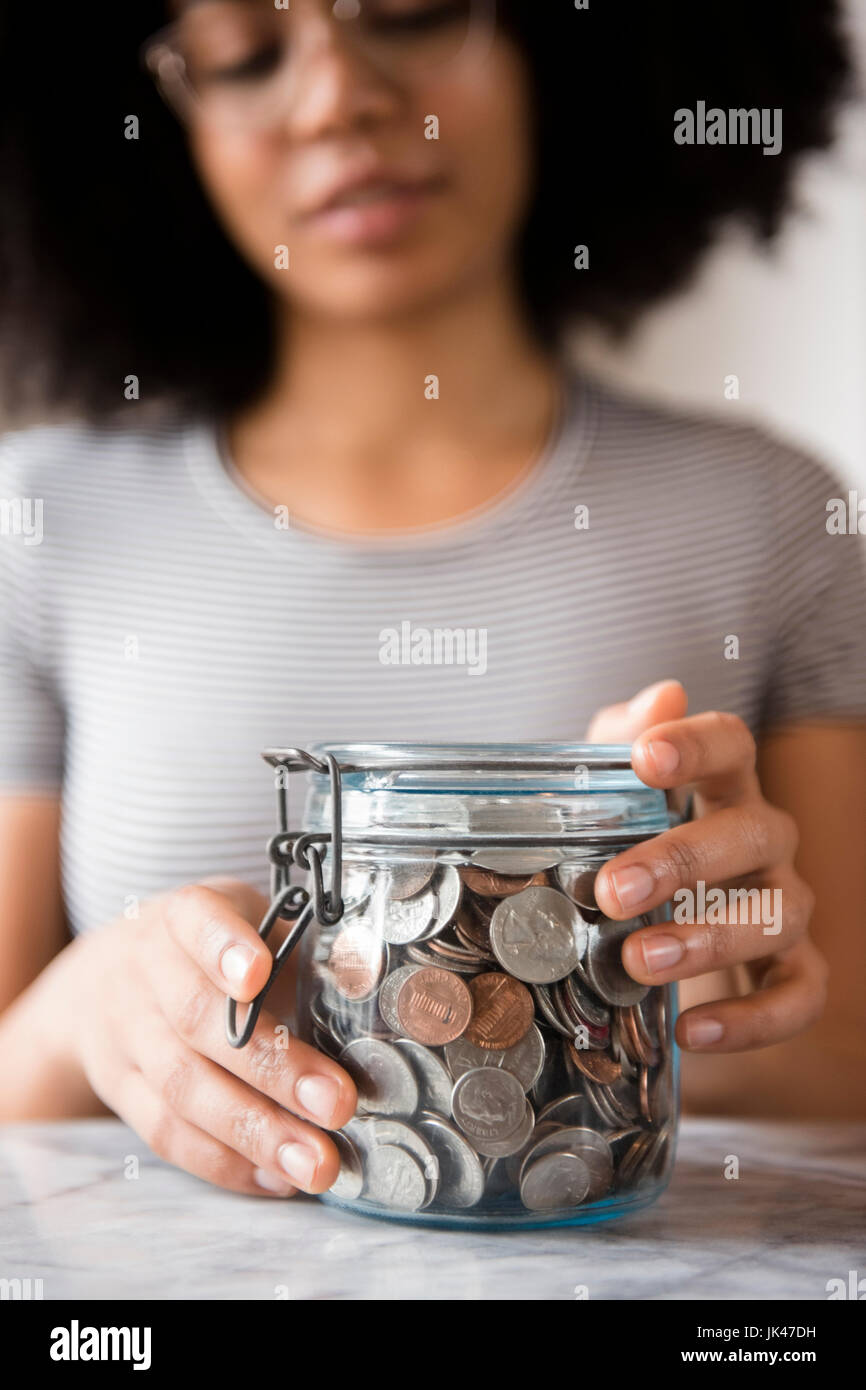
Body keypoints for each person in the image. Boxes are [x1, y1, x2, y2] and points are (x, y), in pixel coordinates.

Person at [0, 1, 863, 1204]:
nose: (333, 98)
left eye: (407, 10)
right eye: (245, 53)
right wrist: (86, 1007)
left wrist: (684, 998)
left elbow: (843, 1077)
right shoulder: (39, 523)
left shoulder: (774, 515)